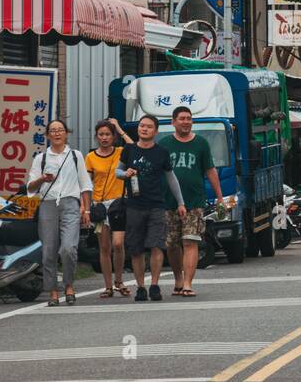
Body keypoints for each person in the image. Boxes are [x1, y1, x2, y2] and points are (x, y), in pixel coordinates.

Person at [114, 114, 184, 302]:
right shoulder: (129, 150)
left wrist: (180, 202)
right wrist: (125, 173)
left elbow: (171, 177)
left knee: (156, 245)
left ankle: (154, 284)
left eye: (148, 127)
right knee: (136, 249)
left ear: (155, 131)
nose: (144, 129)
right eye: (141, 126)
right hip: (134, 205)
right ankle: (141, 287)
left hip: (156, 205)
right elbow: (117, 172)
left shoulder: (162, 152)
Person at [25, 119, 92, 307]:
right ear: (47, 135)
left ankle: (69, 285)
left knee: (68, 248)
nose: (56, 133)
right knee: (48, 252)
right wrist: (42, 179)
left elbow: (85, 184)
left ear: (66, 133)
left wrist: (86, 209)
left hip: (71, 204)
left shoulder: (75, 156)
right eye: (53, 130)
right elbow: (30, 188)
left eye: (60, 130)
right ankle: (53, 291)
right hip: (47, 205)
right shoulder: (41, 159)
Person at [158, 106, 223, 298]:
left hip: (194, 201)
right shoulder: (164, 144)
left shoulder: (201, 143)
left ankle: (187, 283)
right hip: (168, 202)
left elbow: (210, 170)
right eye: (182, 118)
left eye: (189, 118)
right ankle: (178, 277)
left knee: (190, 241)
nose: (186, 122)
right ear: (173, 122)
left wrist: (219, 197)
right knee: (172, 244)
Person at [86, 119, 130, 298]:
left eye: (108, 134)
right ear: (96, 137)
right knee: (104, 247)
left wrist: (120, 129)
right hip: (99, 206)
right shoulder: (90, 157)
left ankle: (119, 280)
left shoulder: (121, 152)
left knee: (118, 244)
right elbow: (87, 184)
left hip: (118, 204)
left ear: (113, 137)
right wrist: (86, 208)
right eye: (101, 134)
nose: (104, 138)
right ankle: (108, 286)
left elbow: (135, 147)